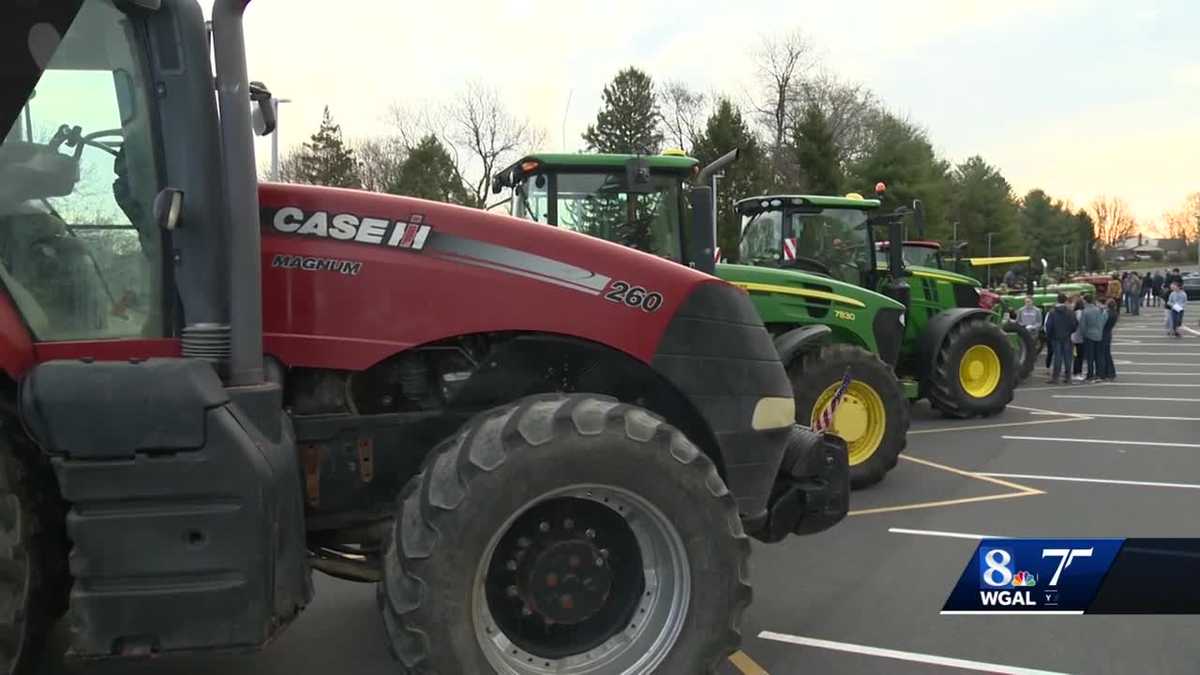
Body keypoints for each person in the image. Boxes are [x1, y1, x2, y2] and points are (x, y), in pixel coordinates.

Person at [1045, 293, 1077, 384]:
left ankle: (1055, 377)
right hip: (1067, 336)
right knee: (1068, 357)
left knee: (1057, 357)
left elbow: (1049, 326)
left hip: (1055, 337)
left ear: (1057, 300)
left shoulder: (1052, 312)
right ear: (1065, 300)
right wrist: (1070, 332)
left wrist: (1049, 335)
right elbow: (1074, 324)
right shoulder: (1070, 312)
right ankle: (1068, 377)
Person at [1080, 294, 1104, 382]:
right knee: (1098, 355)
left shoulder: (1085, 311)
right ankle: (1099, 373)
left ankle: (1090, 374)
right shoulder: (1098, 310)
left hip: (1089, 335)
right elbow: (1101, 322)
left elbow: (1082, 325)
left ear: (1086, 301)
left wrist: (1082, 334)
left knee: (1090, 356)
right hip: (1098, 334)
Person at [1099, 297, 1119, 380]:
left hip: (1103, 334)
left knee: (1103, 354)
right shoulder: (1114, 313)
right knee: (1107, 354)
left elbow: (1101, 323)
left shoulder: (1107, 314)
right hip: (1108, 334)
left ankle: (1105, 372)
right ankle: (1110, 372)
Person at [1070, 294, 1086, 381]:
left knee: (1077, 355)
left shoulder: (1074, 313)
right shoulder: (1080, 313)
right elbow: (1081, 325)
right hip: (1079, 338)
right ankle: (1077, 372)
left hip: (1074, 337)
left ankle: (1076, 372)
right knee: (1079, 356)